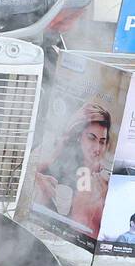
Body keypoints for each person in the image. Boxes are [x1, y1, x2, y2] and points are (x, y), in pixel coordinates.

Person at [32, 102, 112, 238]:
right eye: (91, 138)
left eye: (102, 141)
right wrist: (35, 177)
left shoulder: (98, 176)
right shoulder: (57, 161)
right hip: (47, 233)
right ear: (79, 136)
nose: (97, 148)